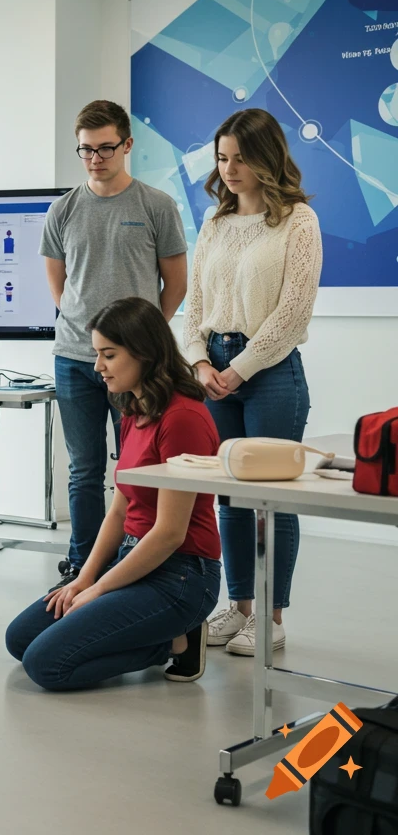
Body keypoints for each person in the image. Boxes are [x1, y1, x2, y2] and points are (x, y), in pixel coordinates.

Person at [5, 297, 222, 691]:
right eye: (96, 354)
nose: (97, 367)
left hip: (181, 575)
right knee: (19, 639)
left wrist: (101, 588)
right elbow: (119, 511)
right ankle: (156, 632)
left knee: (46, 665)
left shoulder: (183, 418)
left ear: (144, 353)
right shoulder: (134, 409)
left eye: (108, 355)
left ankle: (174, 641)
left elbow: (171, 533)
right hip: (133, 558)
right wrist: (83, 579)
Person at [182, 108, 321, 657]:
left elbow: (292, 312)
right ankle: (238, 606)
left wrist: (240, 368)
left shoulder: (297, 222)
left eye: (241, 157)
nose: (230, 168)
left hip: (270, 374)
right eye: (222, 158)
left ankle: (271, 617)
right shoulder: (214, 224)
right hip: (212, 368)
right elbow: (195, 305)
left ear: (267, 158)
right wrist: (198, 362)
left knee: (273, 501)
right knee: (230, 500)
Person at [41, 100, 188, 587]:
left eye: (105, 148)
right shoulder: (62, 209)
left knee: (137, 469)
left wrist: (139, 341)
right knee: (84, 470)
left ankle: (133, 562)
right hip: (74, 361)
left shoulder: (155, 205)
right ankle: (83, 568)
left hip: (136, 366)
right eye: (85, 150)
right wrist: (91, 338)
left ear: (127, 145)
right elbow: (59, 286)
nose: (95, 158)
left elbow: (177, 284)